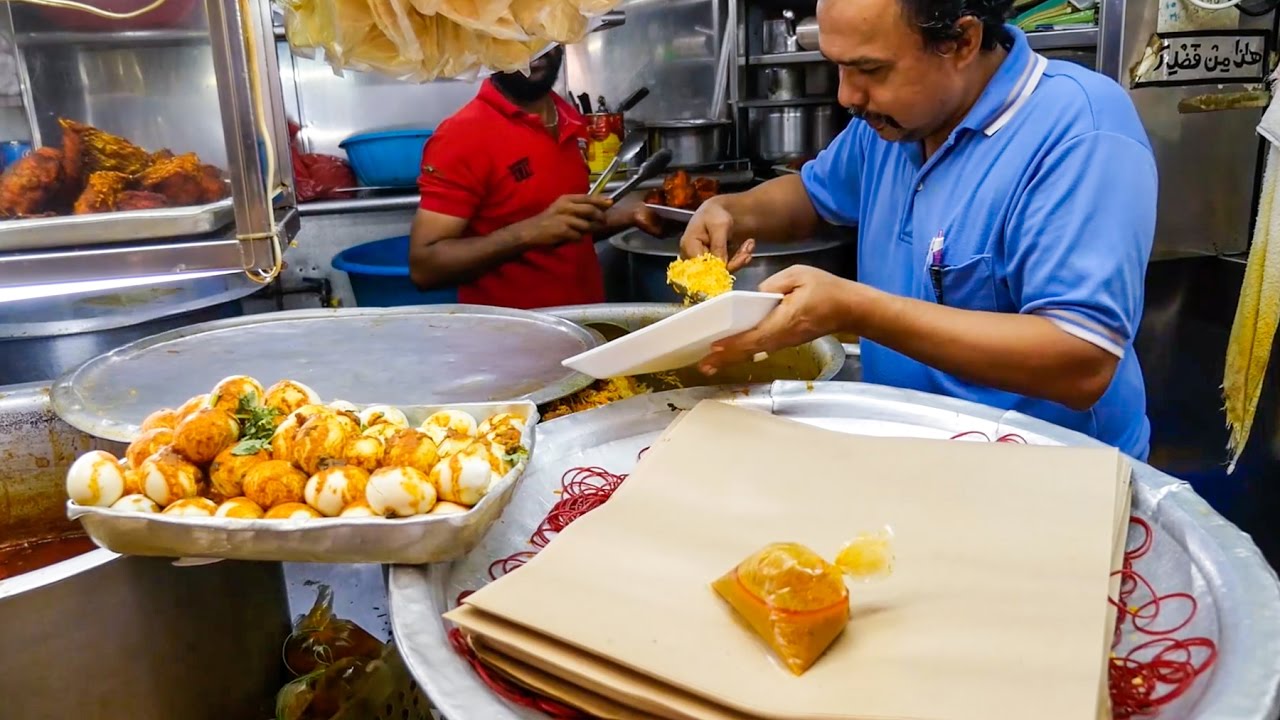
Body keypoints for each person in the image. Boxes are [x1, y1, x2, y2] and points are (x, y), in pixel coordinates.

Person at [680, 0, 1155, 459]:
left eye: (870, 70)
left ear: (962, 41)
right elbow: (813, 195)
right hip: (912, 454)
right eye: (839, 68)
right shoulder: (892, 125)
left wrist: (857, 310)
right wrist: (731, 210)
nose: (847, 96)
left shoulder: (1081, 132)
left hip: (1050, 474)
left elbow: (1079, 361)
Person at [409, 45, 660, 309]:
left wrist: (632, 213)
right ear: (487, 42)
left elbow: (562, 227)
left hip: (585, 325)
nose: (530, 49)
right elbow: (425, 267)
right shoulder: (461, 135)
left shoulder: (570, 119)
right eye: (511, 36)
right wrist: (528, 233)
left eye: (541, 32)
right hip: (510, 338)